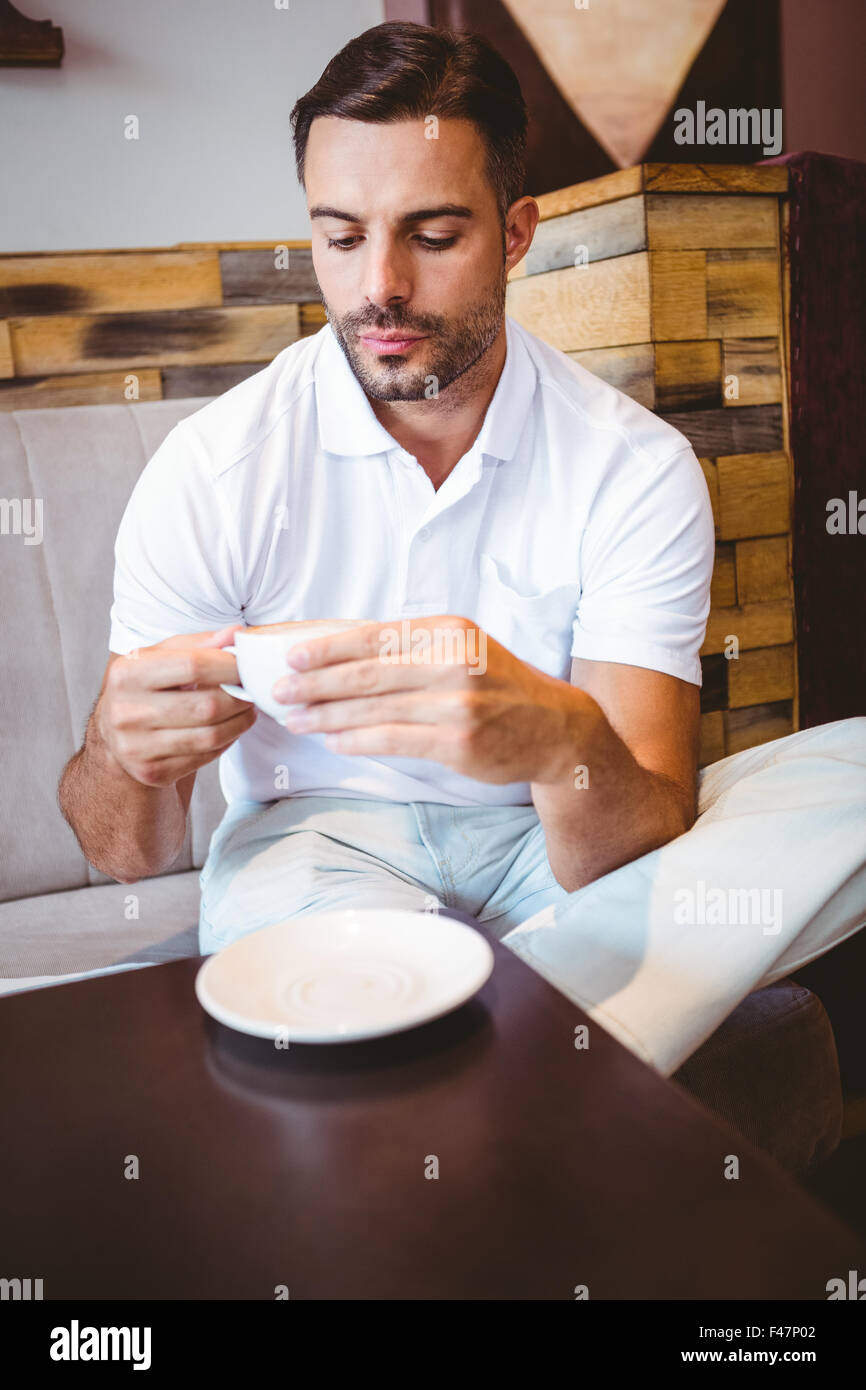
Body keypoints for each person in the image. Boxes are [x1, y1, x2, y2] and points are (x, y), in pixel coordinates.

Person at [59, 22, 866, 1077]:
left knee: (847, 777)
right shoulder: (211, 469)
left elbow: (631, 837)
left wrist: (556, 738)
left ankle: (433, 1006)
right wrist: (120, 754)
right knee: (348, 932)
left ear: (516, 230)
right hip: (317, 845)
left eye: (431, 235)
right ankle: (554, 1012)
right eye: (341, 236)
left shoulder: (634, 466)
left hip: (556, 849)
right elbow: (127, 852)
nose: (378, 285)